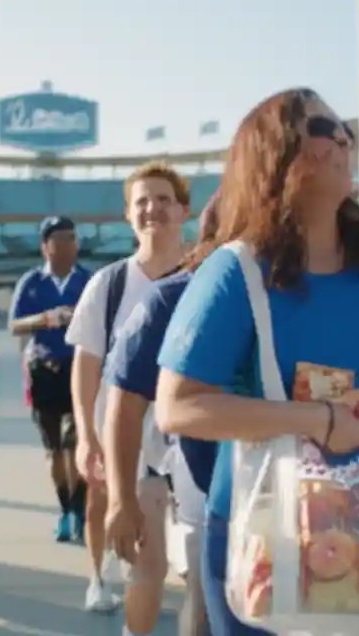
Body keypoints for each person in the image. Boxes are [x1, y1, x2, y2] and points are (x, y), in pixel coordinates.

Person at [153, 89, 359, 635]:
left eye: (344, 126)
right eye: (325, 127)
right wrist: (315, 421)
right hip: (263, 528)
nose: (345, 138)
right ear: (278, 153)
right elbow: (175, 407)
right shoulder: (236, 271)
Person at [67, 161, 191, 617]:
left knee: (187, 566)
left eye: (163, 200)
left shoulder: (204, 280)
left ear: (183, 211)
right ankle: (98, 577)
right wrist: (86, 433)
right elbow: (85, 364)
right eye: (141, 201)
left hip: (186, 440)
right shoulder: (109, 283)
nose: (152, 209)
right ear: (128, 215)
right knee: (136, 546)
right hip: (123, 433)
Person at [104, 193, 225, 636]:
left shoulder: (289, 292)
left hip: (284, 493)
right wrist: (120, 498)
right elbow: (124, 401)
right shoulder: (170, 299)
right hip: (203, 491)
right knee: (205, 604)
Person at [9, 216, 93, 543]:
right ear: (45, 246)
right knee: (54, 448)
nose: (68, 244)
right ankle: (65, 510)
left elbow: (107, 321)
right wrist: (44, 319)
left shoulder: (89, 280)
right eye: (60, 239)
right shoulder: (31, 282)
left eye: (72, 238)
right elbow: (15, 324)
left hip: (80, 367)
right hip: (43, 370)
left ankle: (80, 507)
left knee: (77, 441)